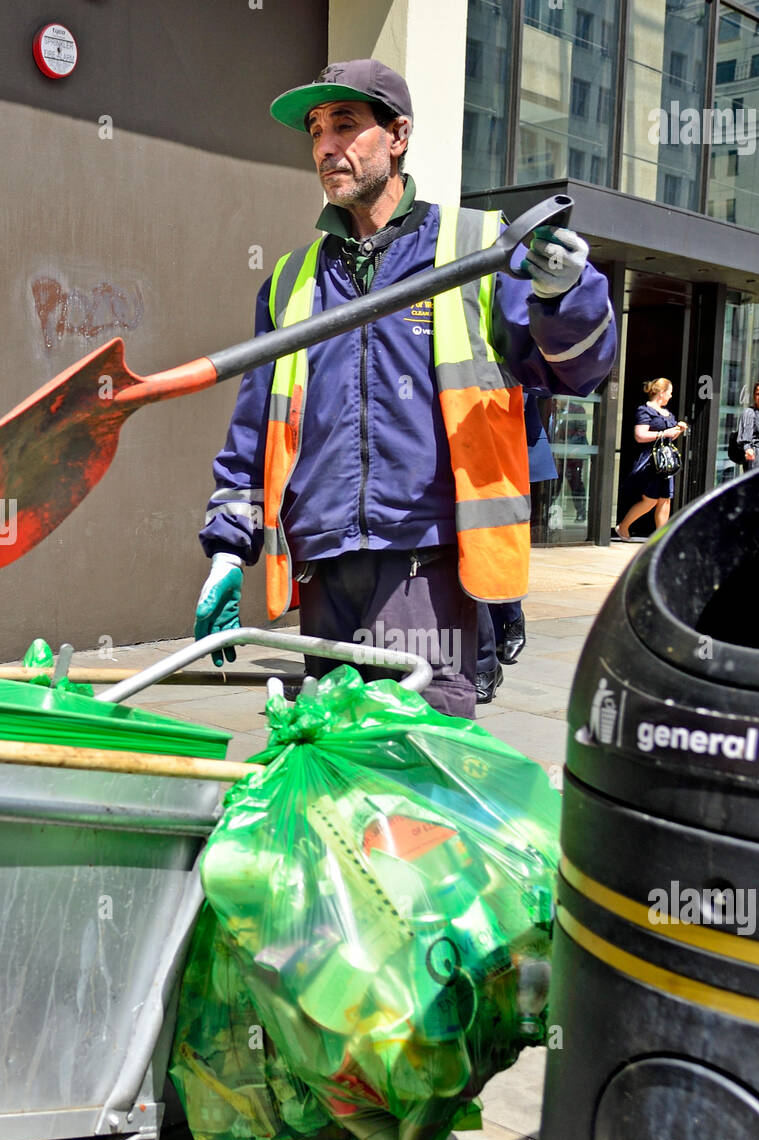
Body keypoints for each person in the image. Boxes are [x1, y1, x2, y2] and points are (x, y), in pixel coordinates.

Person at [194, 59, 617, 718]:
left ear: (398, 136)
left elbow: (578, 369)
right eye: (315, 131)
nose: (326, 146)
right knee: (339, 765)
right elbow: (256, 430)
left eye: (345, 124)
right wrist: (227, 546)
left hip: (427, 560)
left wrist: (570, 295)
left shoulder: (472, 249)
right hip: (324, 564)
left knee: (419, 768)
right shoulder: (290, 280)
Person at [475, 396, 557, 702]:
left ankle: (511, 615)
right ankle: (499, 626)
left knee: (503, 539)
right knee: (481, 541)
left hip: (514, 441)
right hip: (471, 439)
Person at [613, 378, 687, 541]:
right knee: (650, 500)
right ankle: (623, 526)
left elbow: (671, 436)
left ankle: (662, 538)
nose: (671, 396)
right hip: (651, 461)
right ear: (662, 393)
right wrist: (663, 433)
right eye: (670, 392)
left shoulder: (667, 413)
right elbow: (640, 435)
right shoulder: (645, 410)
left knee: (665, 499)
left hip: (665, 461)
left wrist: (678, 429)